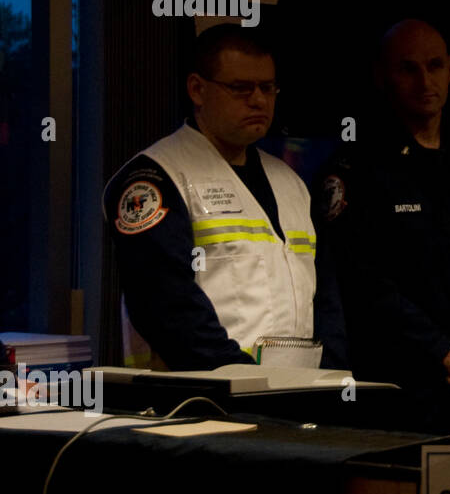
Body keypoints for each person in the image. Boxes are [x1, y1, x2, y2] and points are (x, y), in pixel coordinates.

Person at [314, 18, 450, 434]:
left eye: (435, 66)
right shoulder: (355, 169)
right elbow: (361, 284)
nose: (424, 80)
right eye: (408, 68)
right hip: (394, 392)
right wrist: (443, 351)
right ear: (381, 75)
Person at [102, 23, 343, 370]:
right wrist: (243, 380)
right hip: (202, 401)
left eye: (268, 87)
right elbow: (168, 308)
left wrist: (329, 376)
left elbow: (326, 299)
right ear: (197, 90)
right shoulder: (155, 179)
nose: (259, 100)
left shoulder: (291, 182)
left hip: (299, 398)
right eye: (241, 88)